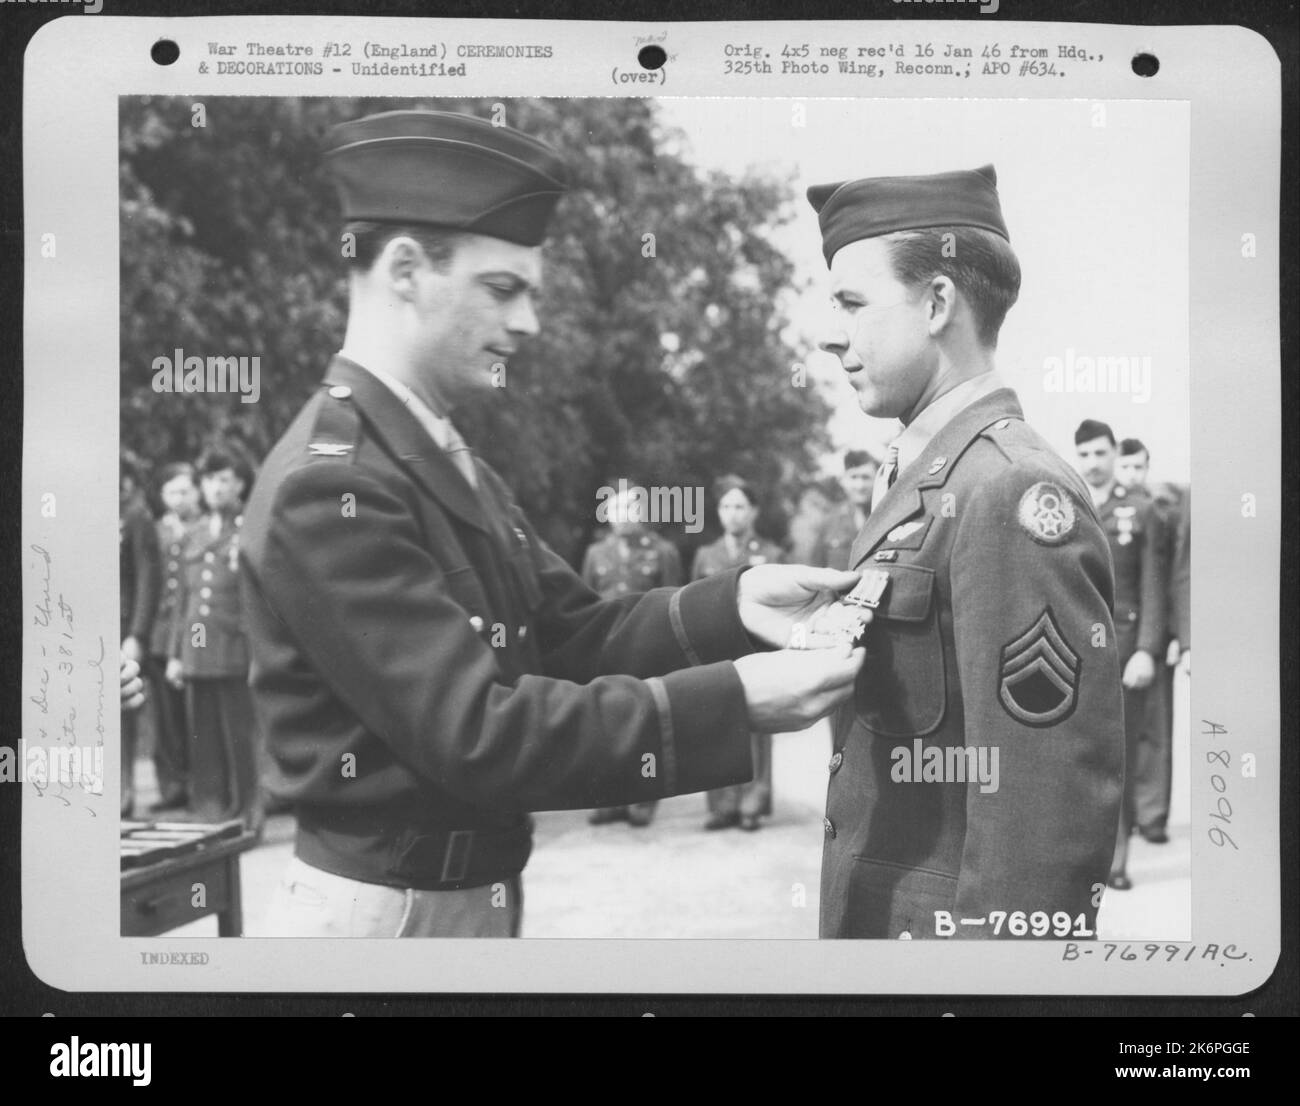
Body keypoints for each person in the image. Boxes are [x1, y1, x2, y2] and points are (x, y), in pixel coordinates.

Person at [239, 109, 864, 939]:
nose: (529, 322)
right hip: (386, 918)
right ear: (403, 270)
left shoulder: (446, 458)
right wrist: (737, 697)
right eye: (503, 289)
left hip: (454, 903)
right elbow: (482, 734)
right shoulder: (331, 487)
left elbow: (572, 633)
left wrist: (736, 605)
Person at [808, 164, 1124, 939]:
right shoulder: (924, 476)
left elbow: (1041, 820)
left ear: (938, 303)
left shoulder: (1007, 493)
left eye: (852, 303)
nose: (829, 333)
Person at [1077, 422, 1167, 888]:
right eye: (1084, 454)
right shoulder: (1066, 504)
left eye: (1099, 453)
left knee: (1121, 757)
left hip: (1125, 651)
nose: (1092, 463)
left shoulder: (1141, 510)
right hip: (1075, 653)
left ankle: (1115, 862)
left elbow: (1153, 582)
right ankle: (1079, 856)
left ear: (1114, 453)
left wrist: (1148, 650)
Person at [166, 447, 263, 831]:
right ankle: (212, 812)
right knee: (202, 734)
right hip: (197, 647)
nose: (215, 488)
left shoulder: (251, 529)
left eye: (223, 479)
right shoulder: (193, 533)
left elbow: (258, 598)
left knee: (240, 734)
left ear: (239, 484)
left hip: (235, 646)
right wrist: (174, 654)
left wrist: (260, 653)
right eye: (208, 481)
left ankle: (247, 813)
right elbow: (182, 602)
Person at [581, 486, 684, 828]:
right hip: (606, 650)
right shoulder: (596, 553)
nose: (624, 514)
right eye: (616, 508)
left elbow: (673, 603)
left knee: (645, 722)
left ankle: (643, 797)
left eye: (631, 507)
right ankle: (611, 798)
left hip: (647, 648)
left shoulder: (663, 551)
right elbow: (585, 607)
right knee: (606, 720)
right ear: (607, 515)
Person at [691, 477, 784, 831]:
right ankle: (721, 805)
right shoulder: (705, 556)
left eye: (740, 506)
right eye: (727, 506)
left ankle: (752, 803)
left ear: (754, 512)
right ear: (718, 512)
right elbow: (693, 604)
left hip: (756, 649)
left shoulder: (772, 555)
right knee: (715, 722)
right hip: (716, 651)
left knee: (757, 723)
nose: (733, 514)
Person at [1115, 438, 1180, 845]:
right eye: (1127, 467)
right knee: (1122, 729)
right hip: (1122, 633)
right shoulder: (1114, 515)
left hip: (1156, 632)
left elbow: (1171, 578)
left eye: (1139, 467)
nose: (1133, 475)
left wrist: (1172, 635)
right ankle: (1124, 817)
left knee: (1156, 728)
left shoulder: (1163, 513)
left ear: (1148, 467)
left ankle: (1152, 815)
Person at [147, 462, 202, 812]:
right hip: (160, 633)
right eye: (172, 492)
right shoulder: (154, 530)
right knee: (164, 718)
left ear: (196, 491)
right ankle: (171, 787)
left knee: (196, 714)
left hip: (194, 633)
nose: (179, 498)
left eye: (185, 490)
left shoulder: (205, 528)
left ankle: (201, 784)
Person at [119, 451, 160, 818]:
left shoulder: (136, 516)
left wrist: (137, 634)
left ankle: (124, 791)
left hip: (124, 630)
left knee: (124, 709)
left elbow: (148, 579)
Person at [812, 450, 878, 571]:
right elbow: (816, 570)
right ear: (843, 481)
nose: (860, 486)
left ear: (877, 480)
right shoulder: (829, 522)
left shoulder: (887, 518)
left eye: (866, 477)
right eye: (853, 477)